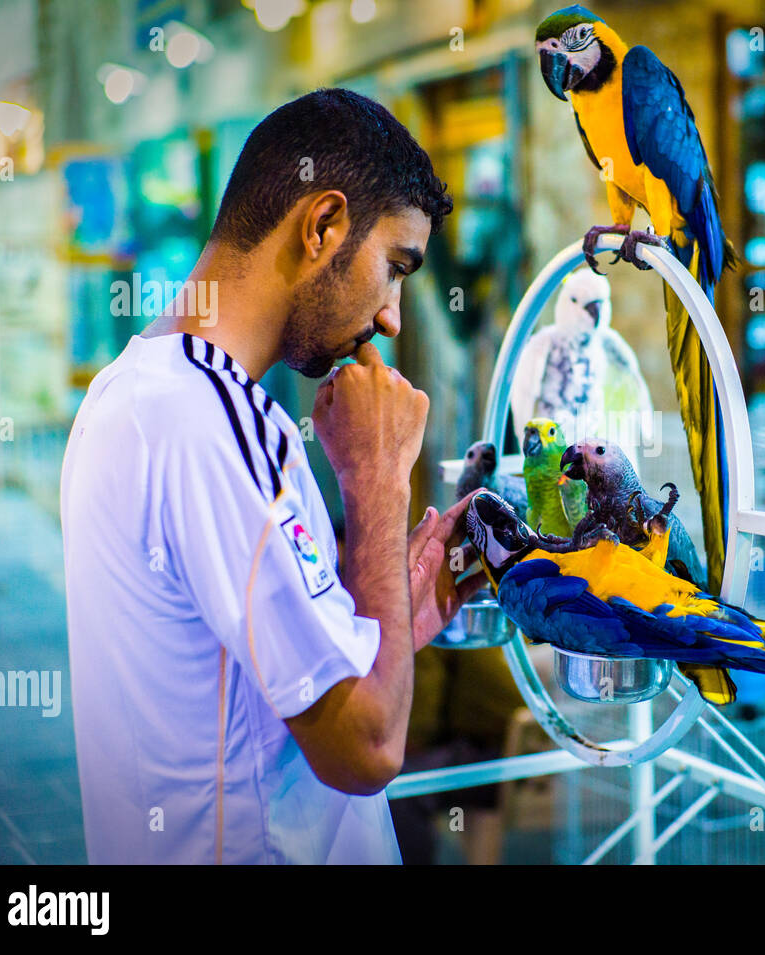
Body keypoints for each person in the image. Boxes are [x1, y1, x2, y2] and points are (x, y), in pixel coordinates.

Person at [60, 88, 486, 864]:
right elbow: (366, 747)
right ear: (323, 225)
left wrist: (392, 616)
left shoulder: (138, 390)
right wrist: (381, 477)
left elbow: (252, 669)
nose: (392, 315)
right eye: (394, 268)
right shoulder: (213, 421)